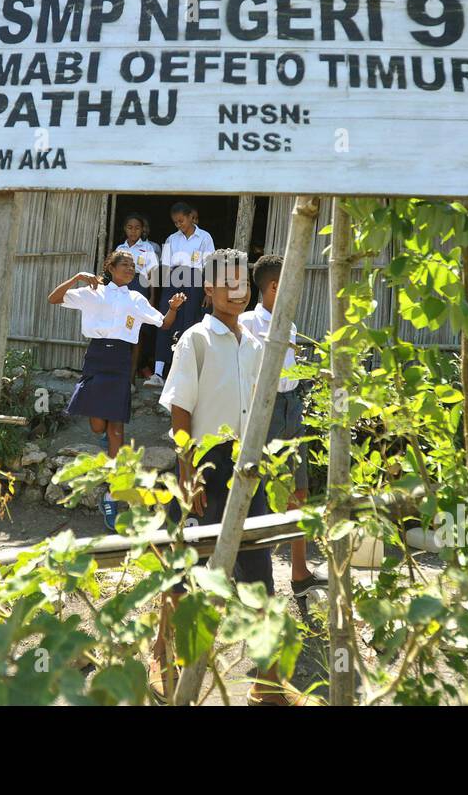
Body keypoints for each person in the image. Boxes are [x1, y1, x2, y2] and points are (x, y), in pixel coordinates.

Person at [150, 248, 316, 706]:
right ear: (209, 289)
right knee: (183, 579)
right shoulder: (196, 340)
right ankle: (164, 667)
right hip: (203, 465)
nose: (238, 290)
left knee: (260, 578)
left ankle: (268, 685)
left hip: (247, 469)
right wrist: (188, 474)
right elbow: (181, 409)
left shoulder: (256, 345)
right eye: (228, 282)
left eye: (243, 281)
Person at [49, 250, 185, 530]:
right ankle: (107, 445)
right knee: (98, 427)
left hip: (122, 362)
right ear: (109, 267)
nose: (130, 269)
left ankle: (111, 497)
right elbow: (54, 298)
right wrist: (76, 277)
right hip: (97, 358)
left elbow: (164, 323)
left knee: (116, 432)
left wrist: (172, 307)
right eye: (125, 264)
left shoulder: (136, 299)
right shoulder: (92, 292)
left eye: (133, 266)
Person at [238, 254, 329, 601]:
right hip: (265, 410)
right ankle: (248, 577)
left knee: (299, 491)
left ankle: (300, 573)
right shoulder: (247, 323)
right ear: (275, 286)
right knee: (254, 491)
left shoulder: (288, 324)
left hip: (293, 407)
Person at [146, 201, 214, 389]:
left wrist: (209, 291)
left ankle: (186, 374)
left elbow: (209, 264)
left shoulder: (204, 237)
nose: (179, 225)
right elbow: (166, 266)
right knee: (166, 321)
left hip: (196, 281)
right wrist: (164, 291)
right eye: (175, 222)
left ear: (191, 217)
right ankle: (159, 372)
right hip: (173, 280)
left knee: (191, 322)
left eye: (181, 221)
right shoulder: (171, 239)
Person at [115, 212, 161, 385]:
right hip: (121, 290)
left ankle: (131, 378)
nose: (133, 231)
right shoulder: (120, 249)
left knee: (137, 333)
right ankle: (119, 375)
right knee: (121, 330)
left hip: (139, 288)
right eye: (129, 227)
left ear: (142, 230)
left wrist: (152, 298)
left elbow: (152, 276)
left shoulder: (148, 248)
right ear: (124, 229)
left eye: (137, 228)